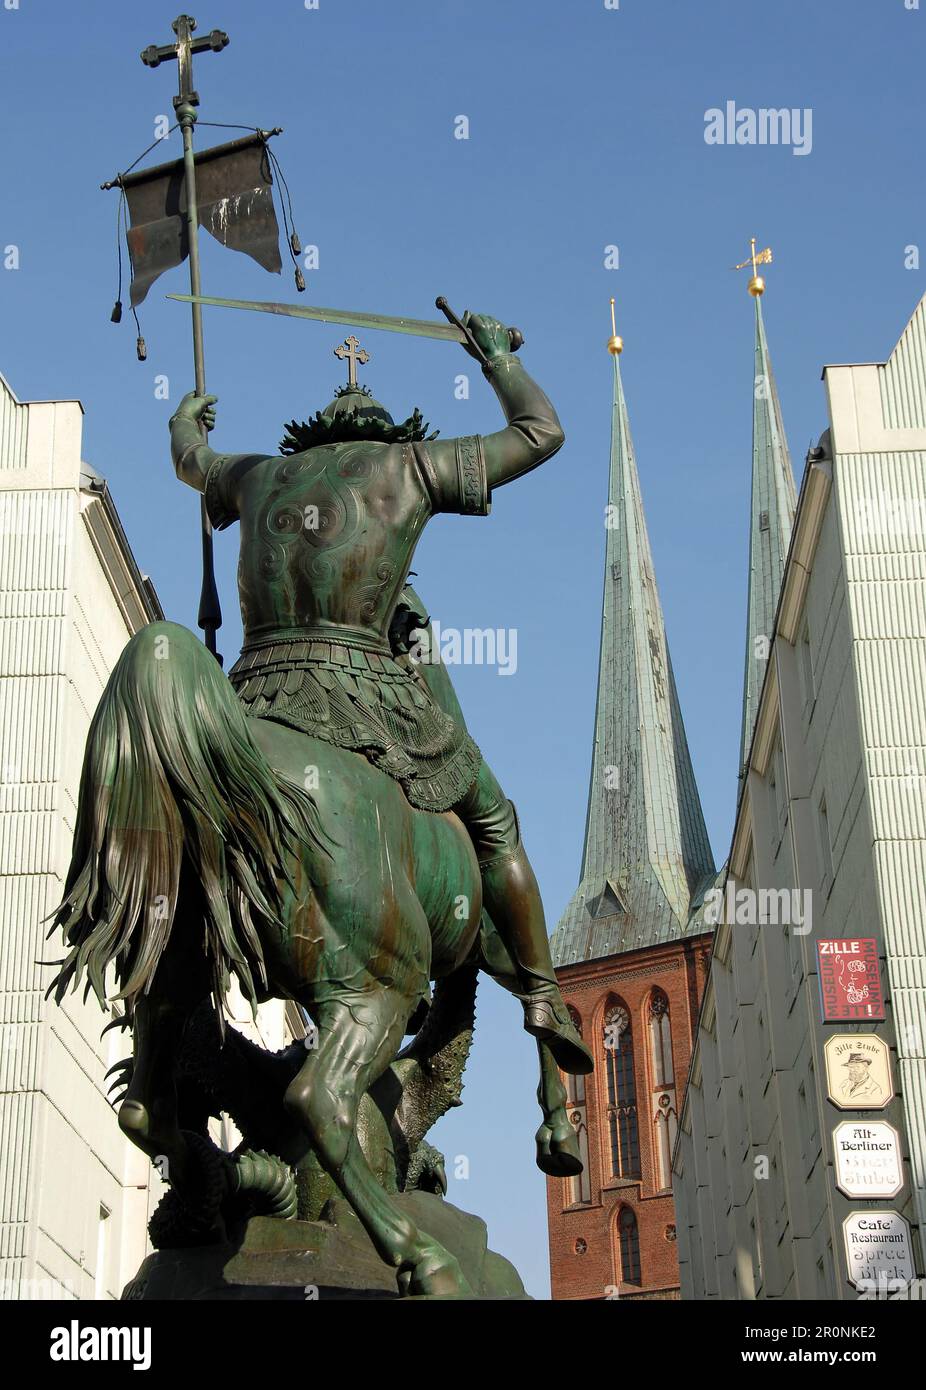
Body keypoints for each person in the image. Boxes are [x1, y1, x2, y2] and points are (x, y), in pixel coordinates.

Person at [169, 311, 592, 1076]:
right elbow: (541, 433)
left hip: (248, 697)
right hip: (363, 691)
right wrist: (496, 357)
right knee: (494, 824)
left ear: (309, 442)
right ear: (385, 433)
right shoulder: (410, 467)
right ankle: (541, 993)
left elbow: (190, 463)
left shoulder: (255, 475)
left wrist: (186, 421)